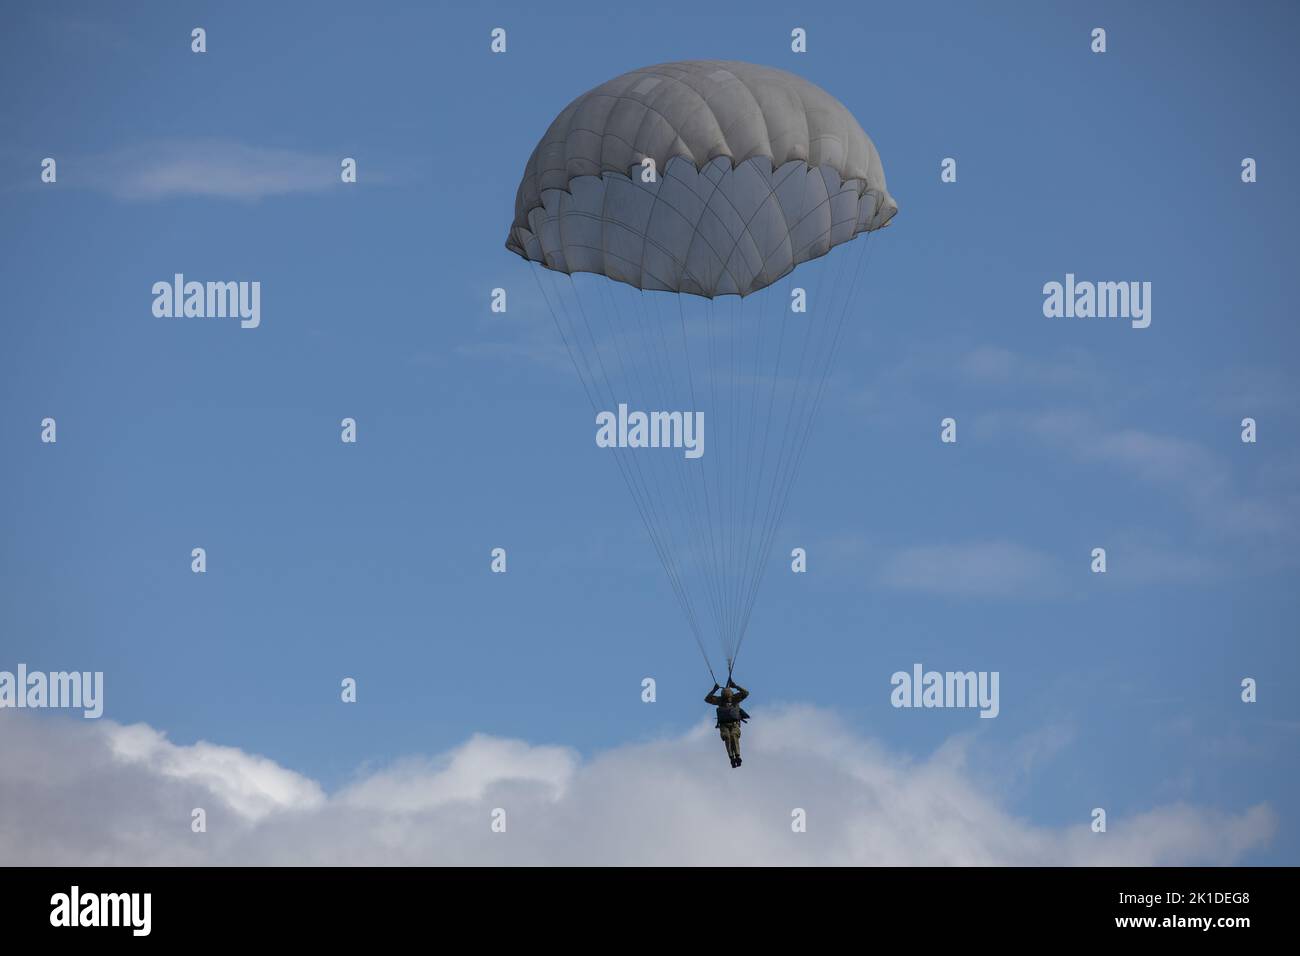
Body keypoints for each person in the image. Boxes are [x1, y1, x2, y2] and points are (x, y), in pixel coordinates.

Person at [704, 678, 750, 768]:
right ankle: (731, 757)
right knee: (727, 737)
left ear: (731, 696)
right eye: (726, 699)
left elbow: (746, 693)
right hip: (724, 725)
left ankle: (737, 755)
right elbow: (707, 699)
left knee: (733, 735)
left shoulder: (735, 698)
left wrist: (736, 686)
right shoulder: (720, 700)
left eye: (729, 698)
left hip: (734, 724)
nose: (728, 700)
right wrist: (714, 690)